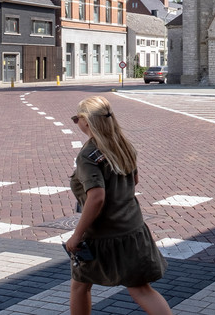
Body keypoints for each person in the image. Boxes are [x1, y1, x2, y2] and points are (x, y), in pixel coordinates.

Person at [65, 96, 173, 315]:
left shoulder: (88, 155)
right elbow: (134, 181)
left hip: (102, 234)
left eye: (76, 119)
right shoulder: (123, 145)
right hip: (132, 227)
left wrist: (77, 235)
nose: (76, 123)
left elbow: (97, 198)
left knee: (80, 286)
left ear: (86, 121)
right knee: (141, 289)